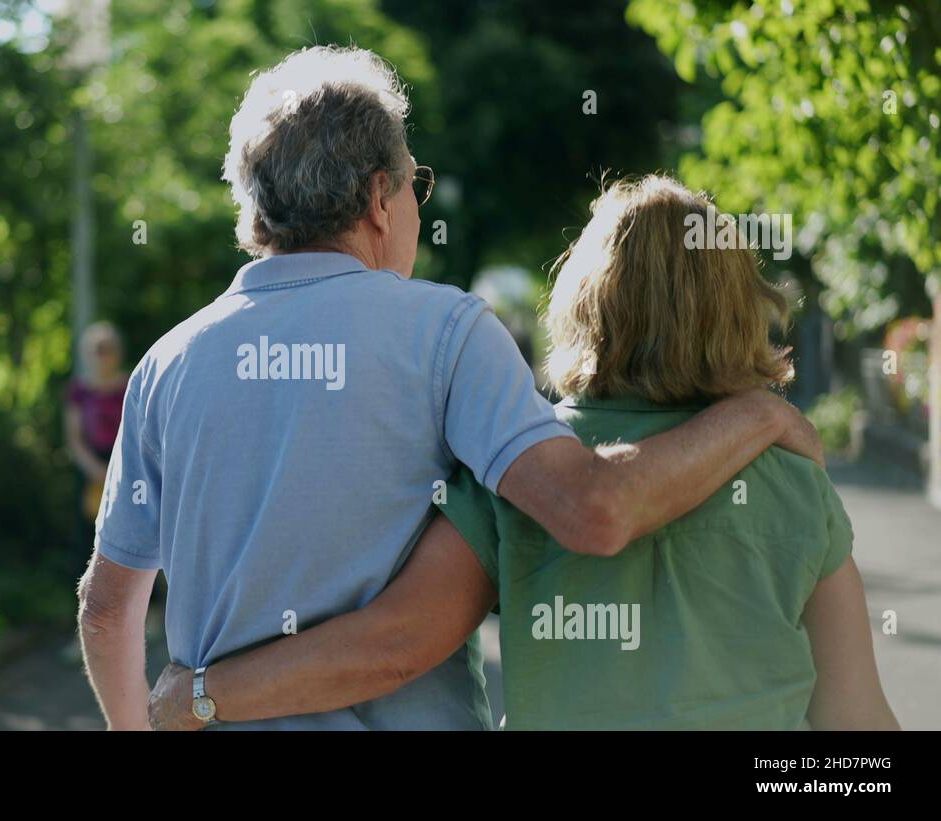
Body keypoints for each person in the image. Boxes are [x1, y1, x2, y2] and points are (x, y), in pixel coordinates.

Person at [77, 46, 822, 730]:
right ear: (378, 198)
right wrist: (757, 412)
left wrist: (171, 709)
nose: (417, 207)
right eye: (414, 186)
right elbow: (590, 510)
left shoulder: (165, 366)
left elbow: (108, 610)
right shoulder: (446, 332)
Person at [146, 176, 898, 731]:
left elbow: (394, 646)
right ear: (740, 308)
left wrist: (201, 694)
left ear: (585, 307)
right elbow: (857, 723)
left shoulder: (525, 467)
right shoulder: (792, 476)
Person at [65, 321, 128, 521]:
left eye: (108, 349)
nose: (103, 356)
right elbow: (74, 438)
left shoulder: (130, 385)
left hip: (125, 467)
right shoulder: (79, 390)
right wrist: (94, 469)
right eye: (98, 350)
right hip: (91, 469)